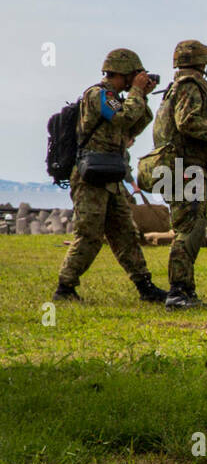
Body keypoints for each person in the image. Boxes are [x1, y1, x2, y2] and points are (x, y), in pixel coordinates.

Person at [52, 49, 168, 303]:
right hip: (91, 178)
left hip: (111, 177)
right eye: (135, 75)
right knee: (90, 235)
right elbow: (122, 116)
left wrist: (142, 96)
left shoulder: (116, 97)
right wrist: (137, 93)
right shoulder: (99, 95)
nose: (137, 79)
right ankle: (65, 288)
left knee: (126, 233)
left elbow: (133, 124)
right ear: (122, 72)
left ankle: (145, 286)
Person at [141, 39, 207, 309]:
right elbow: (187, 121)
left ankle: (184, 290)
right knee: (190, 229)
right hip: (184, 168)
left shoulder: (174, 87)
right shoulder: (190, 86)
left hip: (179, 167)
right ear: (203, 62)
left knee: (188, 227)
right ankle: (179, 292)